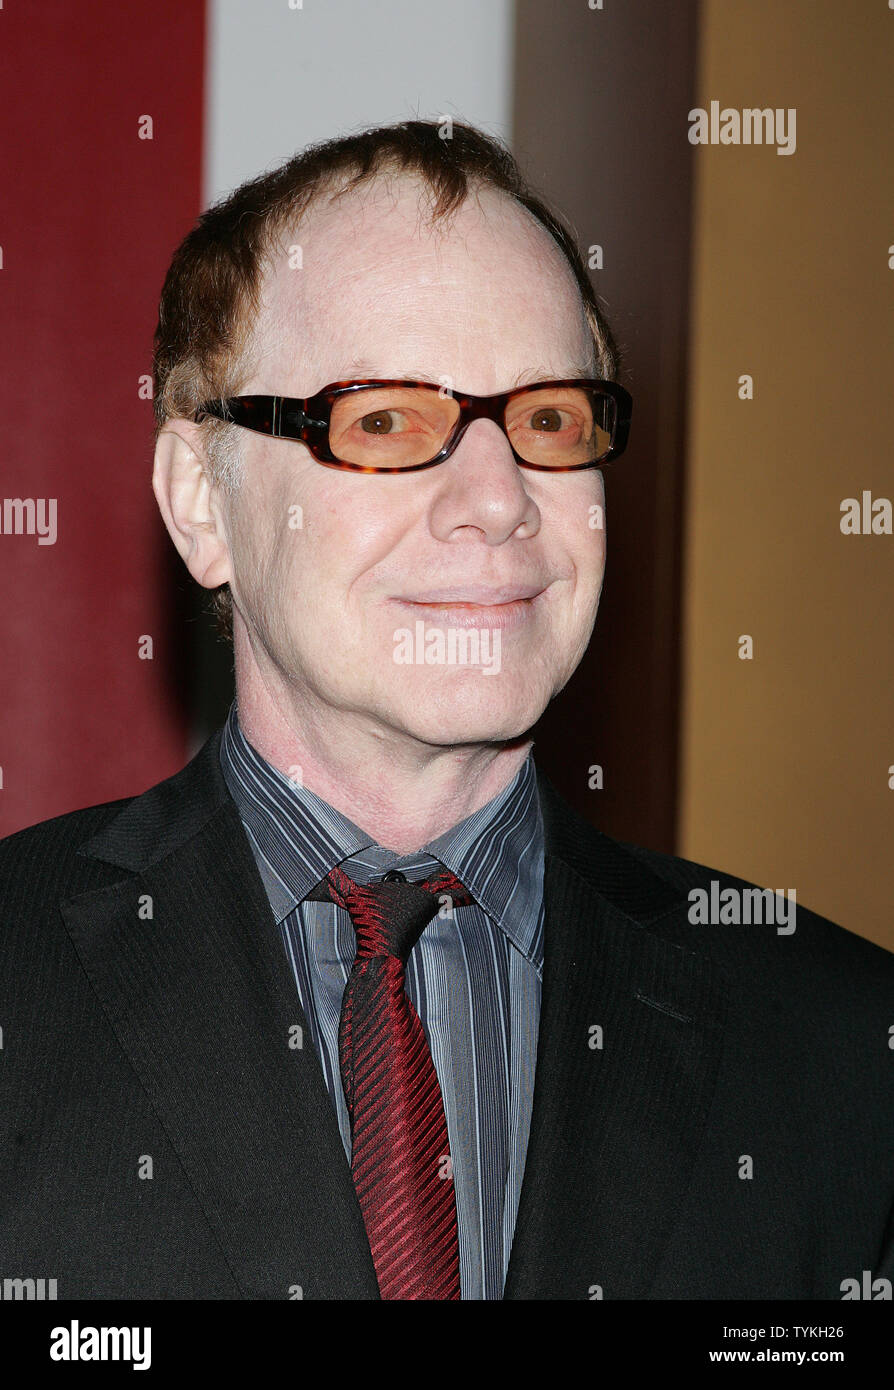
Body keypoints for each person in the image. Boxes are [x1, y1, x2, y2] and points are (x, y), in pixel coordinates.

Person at [1, 120, 891, 1302]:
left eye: (550, 420)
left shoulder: (842, 1051)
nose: (497, 499)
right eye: (384, 419)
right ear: (200, 500)